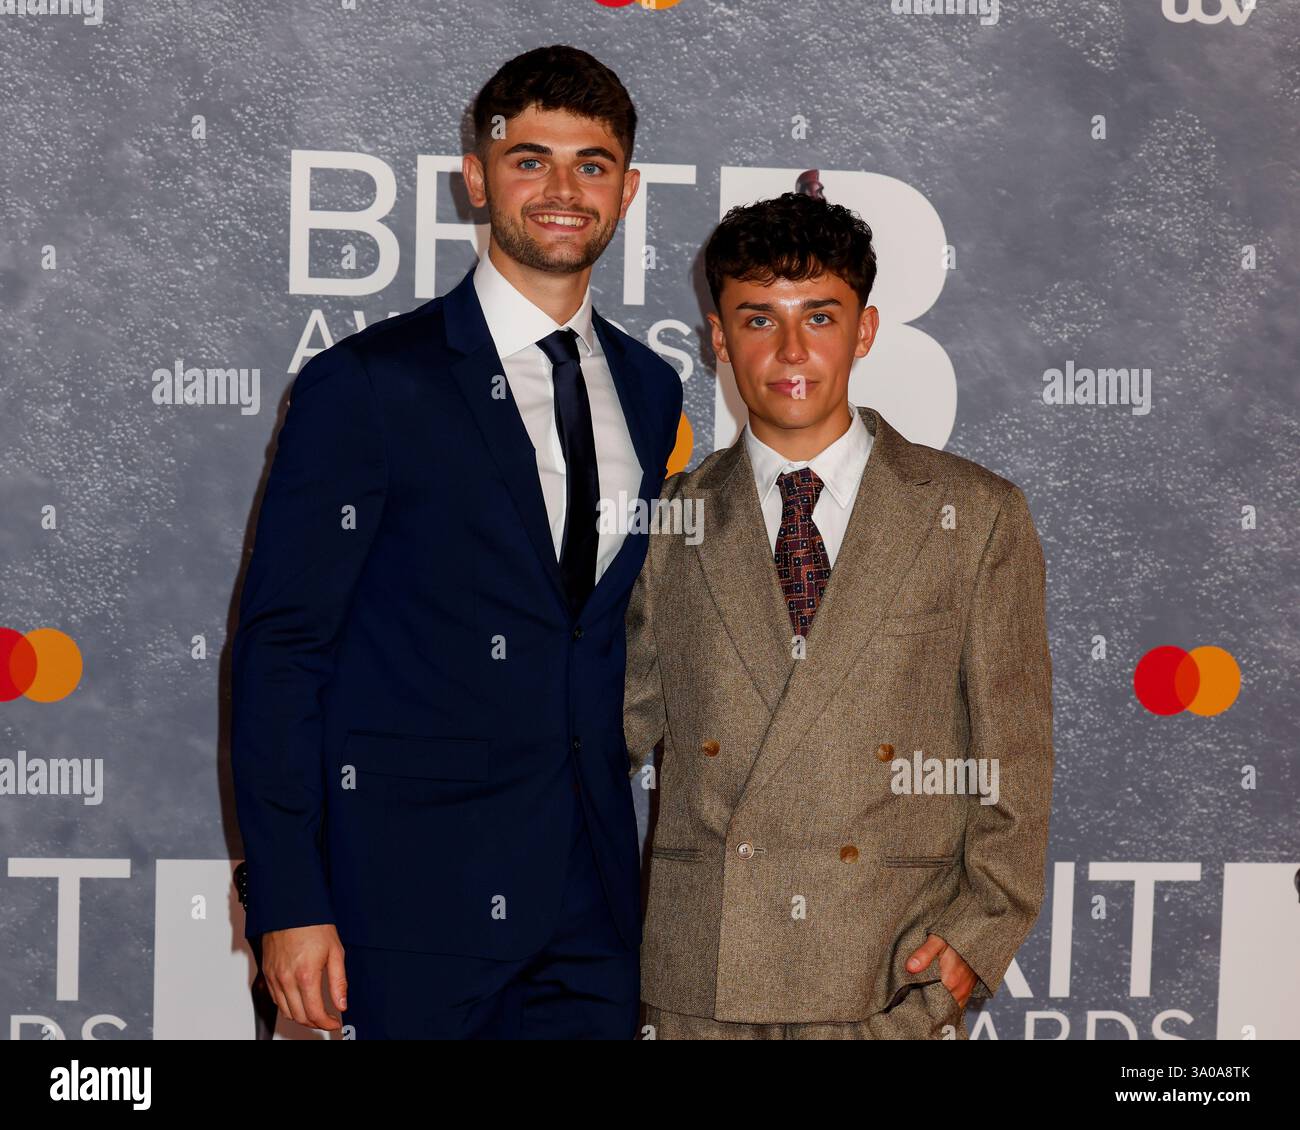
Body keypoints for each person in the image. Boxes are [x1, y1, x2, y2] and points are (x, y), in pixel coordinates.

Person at [232, 44, 682, 1040]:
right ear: (474, 178)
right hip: (404, 905)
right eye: (530, 159)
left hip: (594, 908)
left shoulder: (652, 391)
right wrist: (289, 898)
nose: (563, 189)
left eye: (592, 164)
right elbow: (282, 650)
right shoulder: (368, 384)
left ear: (629, 187)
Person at [623, 192, 1054, 1039]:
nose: (790, 350)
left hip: (888, 977)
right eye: (757, 319)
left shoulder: (974, 514)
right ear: (718, 338)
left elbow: (1015, 758)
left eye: (819, 316)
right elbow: (603, 733)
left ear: (864, 330)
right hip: (701, 982)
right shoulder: (672, 519)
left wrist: (976, 941)